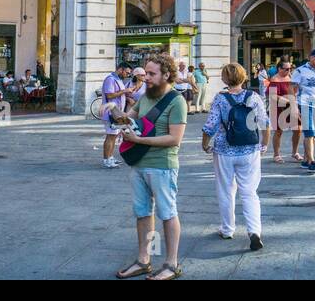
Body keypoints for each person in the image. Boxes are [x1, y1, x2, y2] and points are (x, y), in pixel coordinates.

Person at [111, 54, 188, 281]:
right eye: (146, 73)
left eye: (152, 74)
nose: (146, 78)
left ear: (167, 74)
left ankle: (171, 264)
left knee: (167, 213)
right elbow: (127, 118)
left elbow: (175, 139)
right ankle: (144, 260)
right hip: (139, 164)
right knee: (143, 213)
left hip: (162, 165)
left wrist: (139, 140)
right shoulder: (145, 97)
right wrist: (114, 111)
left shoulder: (176, 101)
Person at [201, 63, 268, 250]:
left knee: (225, 190)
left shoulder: (220, 99)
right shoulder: (254, 97)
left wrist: (205, 144)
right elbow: (265, 122)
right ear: (244, 77)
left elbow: (210, 126)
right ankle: (254, 231)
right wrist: (264, 144)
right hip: (249, 150)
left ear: (224, 79)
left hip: (224, 150)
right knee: (249, 192)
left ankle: (227, 228)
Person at [100, 63, 136, 168]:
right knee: (110, 136)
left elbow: (118, 94)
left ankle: (110, 157)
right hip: (110, 113)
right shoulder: (110, 79)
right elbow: (109, 95)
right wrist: (125, 91)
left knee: (114, 136)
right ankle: (106, 160)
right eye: (127, 72)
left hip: (116, 113)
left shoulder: (118, 79)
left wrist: (127, 93)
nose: (127, 75)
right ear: (120, 69)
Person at [266, 61, 301, 162]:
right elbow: (272, 96)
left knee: (298, 129)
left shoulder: (290, 77)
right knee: (278, 131)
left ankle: (295, 152)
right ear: (279, 69)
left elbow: (295, 90)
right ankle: (276, 154)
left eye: (290, 68)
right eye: (286, 69)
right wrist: (286, 101)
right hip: (278, 106)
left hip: (291, 105)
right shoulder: (274, 79)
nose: (289, 71)